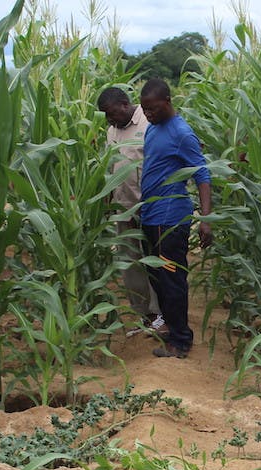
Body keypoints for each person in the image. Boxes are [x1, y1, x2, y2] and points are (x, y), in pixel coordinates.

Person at [138, 78, 212, 359]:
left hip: (170, 220)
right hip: (151, 215)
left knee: (172, 279)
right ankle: (171, 326)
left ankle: (181, 341)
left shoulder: (182, 133)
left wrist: (206, 219)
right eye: (144, 109)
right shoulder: (153, 129)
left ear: (167, 102)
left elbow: (202, 175)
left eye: (153, 109)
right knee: (157, 276)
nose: (148, 114)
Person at [96, 87, 164, 338]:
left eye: (112, 113)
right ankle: (146, 316)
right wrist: (107, 205)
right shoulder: (112, 130)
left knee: (155, 264)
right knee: (131, 267)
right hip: (123, 210)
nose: (109, 120)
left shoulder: (149, 124)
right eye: (106, 116)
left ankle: (161, 315)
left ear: (125, 105)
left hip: (149, 209)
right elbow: (111, 170)